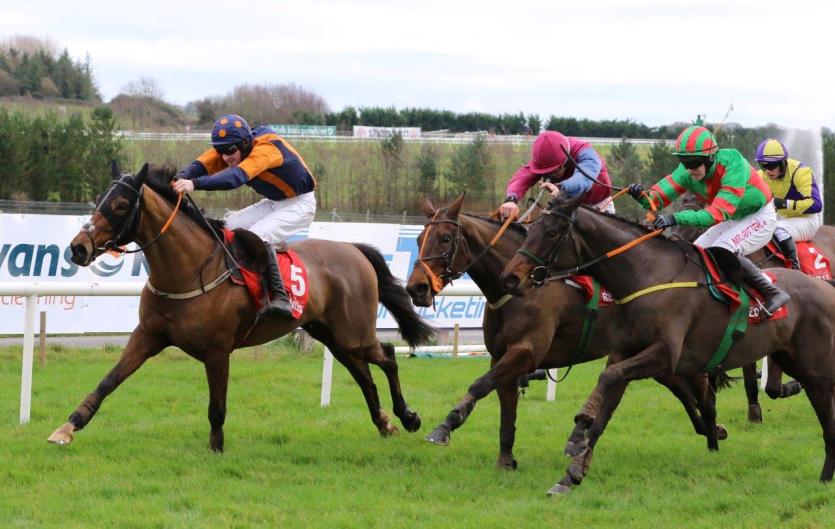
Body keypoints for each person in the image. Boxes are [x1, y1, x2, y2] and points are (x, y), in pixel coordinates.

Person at [628, 125, 789, 317]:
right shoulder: (687, 171)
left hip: (760, 216)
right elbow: (656, 199)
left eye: (695, 162)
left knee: (722, 249)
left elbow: (716, 214)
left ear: (710, 157)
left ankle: (773, 293)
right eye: (684, 162)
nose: (689, 169)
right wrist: (641, 196)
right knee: (695, 252)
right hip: (735, 217)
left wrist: (674, 218)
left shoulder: (733, 162)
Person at [172, 113, 317, 317]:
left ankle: (281, 297)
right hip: (275, 202)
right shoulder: (235, 145)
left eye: (230, 151)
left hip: (300, 204)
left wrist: (194, 184)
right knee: (229, 227)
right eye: (221, 151)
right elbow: (202, 165)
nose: (225, 157)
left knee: (257, 235)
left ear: (245, 143)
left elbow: (236, 177)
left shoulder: (266, 149)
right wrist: (180, 178)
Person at [499, 130, 614, 221]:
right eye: (543, 172)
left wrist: (561, 187)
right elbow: (523, 176)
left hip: (598, 207)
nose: (548, 175)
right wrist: (511, 199)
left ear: (566, 161)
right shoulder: (545, 156)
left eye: (552, 171)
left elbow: (584, 179)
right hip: (566, 206)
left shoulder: (586, 153)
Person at [755, 138, 822, 270]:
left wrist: (785, 204)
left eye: (771, 166)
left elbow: (816, 205)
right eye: (764, 166)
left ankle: (794, 269)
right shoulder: (760, 176)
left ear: (783, 163)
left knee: (778, 229)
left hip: (807, 220)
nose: (767, 171)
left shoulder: (801, 171)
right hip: (782, 219)